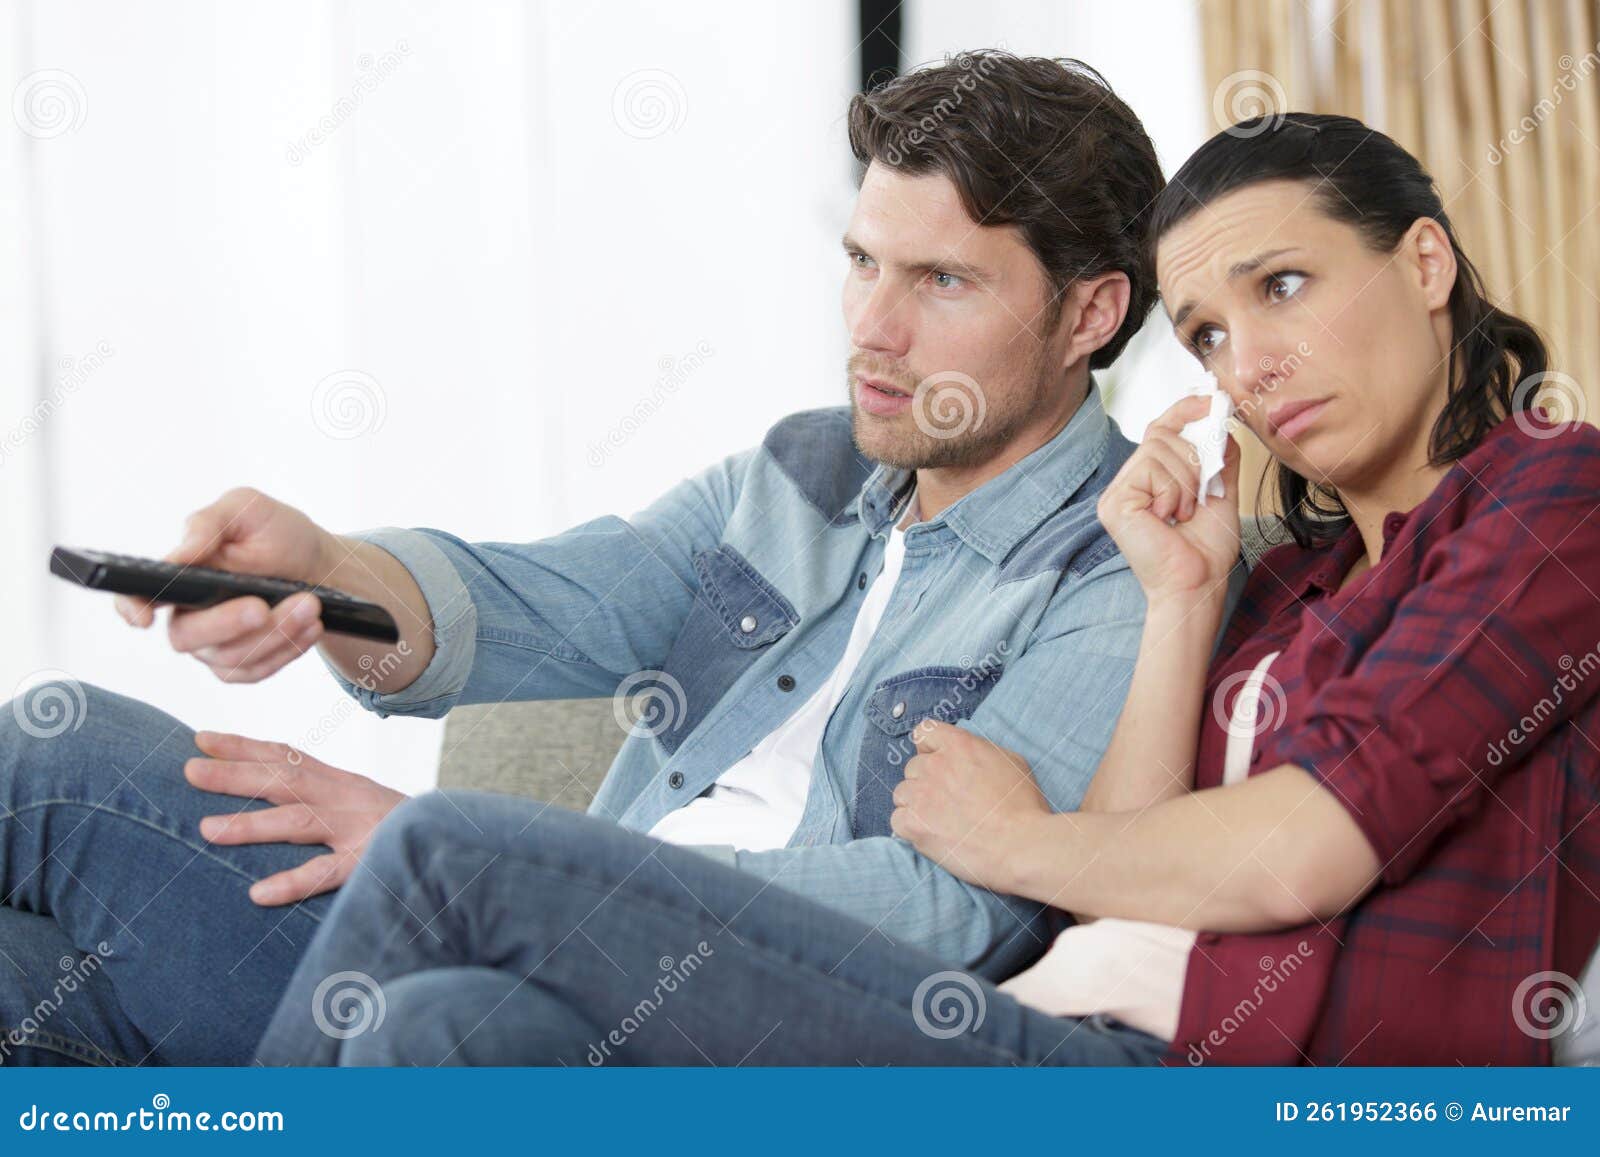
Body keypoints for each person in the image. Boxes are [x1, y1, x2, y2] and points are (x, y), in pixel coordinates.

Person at [256, 113, 1599, 1066]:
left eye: (1286, 286)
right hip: (1078, 1029)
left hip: (1237, 1081)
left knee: (444, 848)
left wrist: (1012, 841)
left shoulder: (1552, 497)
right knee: (441, 1032)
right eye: (1208, 333)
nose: (1249, 361)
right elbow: (1120, 894)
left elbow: (1306, 846)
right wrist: (1184, 603)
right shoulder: (1288, 586)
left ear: (1425, 264)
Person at [0, 52, 1174, 1065]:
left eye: (942, 280)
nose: (871, 325)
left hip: (715, 1026)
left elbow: (958, 910)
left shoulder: (1118, 568)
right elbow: (538, 605)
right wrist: (320, 570)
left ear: (1087, 314)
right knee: (49, 756)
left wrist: (523, 871)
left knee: (446, 1020)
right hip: (494, 946)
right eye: (863, 260)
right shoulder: (797, 477)